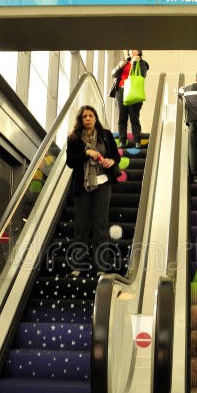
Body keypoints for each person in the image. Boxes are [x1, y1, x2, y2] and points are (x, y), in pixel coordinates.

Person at [65, 105, 121, 273]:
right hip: (82, 186)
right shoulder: (74, 138)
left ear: (95, 118)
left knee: (100, 225)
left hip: (103, 183)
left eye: (91, 115)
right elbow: (70, 162)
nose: (88, 118)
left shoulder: (106, 135)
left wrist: (111, 161)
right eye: (84, 116)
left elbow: (115, 156)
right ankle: (78, 264)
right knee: (81, 225)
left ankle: (101, 266)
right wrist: (87, 153)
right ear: (80, 120)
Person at [110, 50, 149, 148]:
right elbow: (114, 74)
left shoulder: (143, 63)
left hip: (133, 91)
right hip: (121, 91)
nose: (131, 51)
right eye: (130, 49)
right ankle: (122, 142)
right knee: (122, 117)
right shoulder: (124, 62)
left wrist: (135, 63)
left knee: (134, 117)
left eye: (134, 49)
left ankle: (137, 141)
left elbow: (142, 75)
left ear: (139, 51)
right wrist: (120, 66)